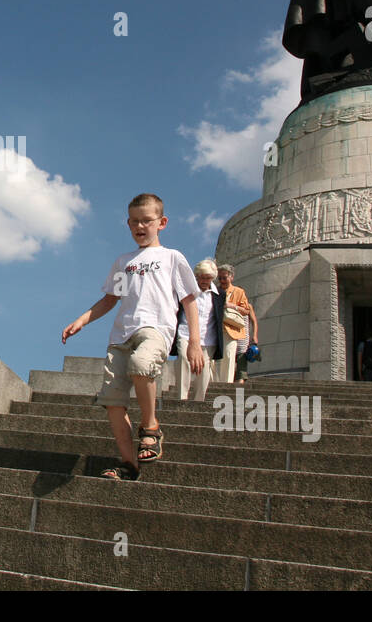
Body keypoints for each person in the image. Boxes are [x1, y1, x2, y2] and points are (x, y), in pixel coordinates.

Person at [63, 193, 202, 481]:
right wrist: (82, 320)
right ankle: (129, 464)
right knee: (113, 402)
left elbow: (189, 300)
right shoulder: (123, 261)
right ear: (128, 224)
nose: (141, 227)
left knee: (142, 365)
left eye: (147, 221)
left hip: (156, 330)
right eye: (135, 222)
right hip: (120, 336)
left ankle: (150, 426)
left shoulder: (172, 257)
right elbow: (109, 300)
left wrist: (195, 343)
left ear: (161, 222)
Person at [176, 259, 226, 402]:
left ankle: (198, 401)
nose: (204, 280)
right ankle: (181, 399)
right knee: (184, 361)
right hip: (185, 333)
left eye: (208, 278)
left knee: (203, 372)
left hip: (208, 338)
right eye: (202, 276)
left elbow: (217, 316)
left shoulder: (219, 295)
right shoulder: (187, 291)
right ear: (196, 276)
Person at [216, 264, 258, 384]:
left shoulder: (239, 292)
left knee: (237, 359)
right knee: (220, 360)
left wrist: (232, 306)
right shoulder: (215, 292)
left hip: (237, 332)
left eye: (224, 278)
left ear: (231, 277)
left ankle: (235, 384)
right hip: (218, 331)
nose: (222, 281)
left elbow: (248, 313)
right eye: (220, 278)